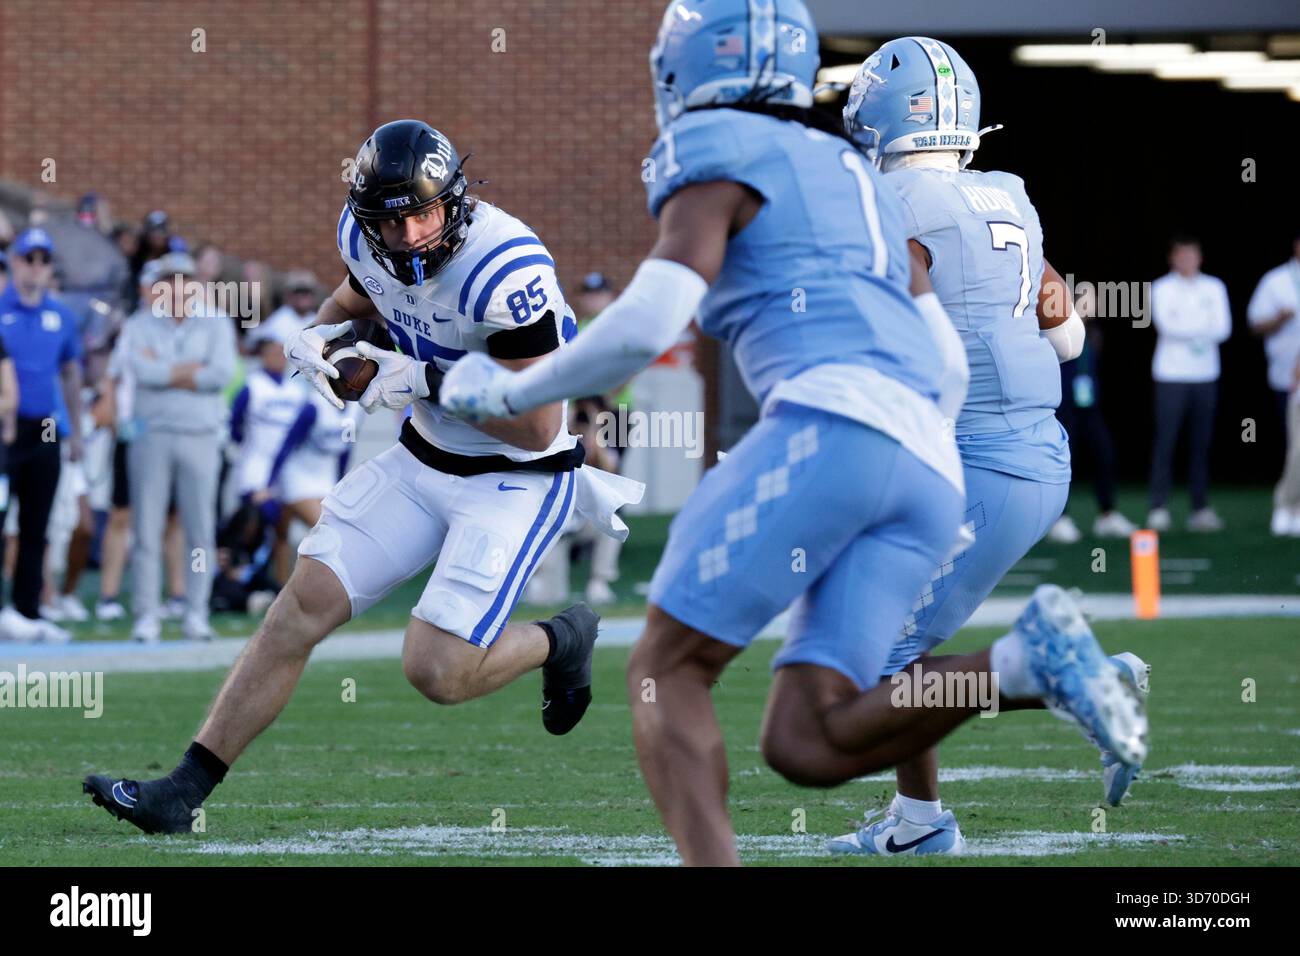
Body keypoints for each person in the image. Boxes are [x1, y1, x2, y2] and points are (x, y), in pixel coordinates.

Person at [439, 0, 1147, 865]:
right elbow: (945, 359)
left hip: (836, 422)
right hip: (929, 456)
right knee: (806, 740)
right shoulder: (859, 182)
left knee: (668, 668)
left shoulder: (720, 151)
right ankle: (1016, 668)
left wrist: (499, 389)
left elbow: (641, 327)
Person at [84, 119, 642, 834]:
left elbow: (537, 423)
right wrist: (322, 338)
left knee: (435, 671)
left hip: (518, 474)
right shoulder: (365, 236)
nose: (408, 235)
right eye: (391, 220)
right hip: (423, 455)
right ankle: (181, 792)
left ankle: (562, 638)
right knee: (297, 609)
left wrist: (421, 380)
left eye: (423, 214)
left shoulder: (507, 269)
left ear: (456, 203)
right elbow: (352, 303)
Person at [821, 37, 1150, 858]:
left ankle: (1076, 678)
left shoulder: (887, 209)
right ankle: (919, 822)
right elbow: (1068, 338)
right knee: (887, 648)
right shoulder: (1008, 197)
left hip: (980, 462)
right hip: (1030, 453)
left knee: (879, 660)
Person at [119, 252, 237, 643]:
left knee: (199, 529)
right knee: (146, 527)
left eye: (183, 279)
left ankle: (196, 615)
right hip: (151, 433)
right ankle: (146, 617)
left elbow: (220, 373)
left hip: (200, 434)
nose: (176, 287)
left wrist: (168, 370)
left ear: (195, 284)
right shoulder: (139, 324)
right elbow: (142, 371)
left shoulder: (217, 322)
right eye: (169, 280)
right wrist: (190, 368)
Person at [0, 228, 82, 643]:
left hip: (46, 427)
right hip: (3, 429)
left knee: (37, 523)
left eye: (42, 260)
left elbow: (69, 373)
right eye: (28, 258)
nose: (35, 267)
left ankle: (27, 610)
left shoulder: (61, 316)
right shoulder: (0, 308)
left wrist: (77, 431)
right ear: (14, 262)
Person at [1147, 236, 1231, 533]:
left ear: (1200, 257)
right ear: (1173, 258)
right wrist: (1201, 327)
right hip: (1170, 374)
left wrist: (1191, 326)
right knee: (1166, 442)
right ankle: (1158, 507)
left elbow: (1223, 328)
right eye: (1181, 255)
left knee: (1201, 444)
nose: (1187, 260)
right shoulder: (1161, 287)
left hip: (1205, 374)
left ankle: (1200, 508)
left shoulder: (1214, 287)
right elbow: (1167, 326)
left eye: (1192, 255)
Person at [1048, 286, 1138, 542]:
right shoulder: (1059, 331)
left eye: (1094, 302)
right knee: (1064, 462)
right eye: (1085, 301)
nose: (1091, 306)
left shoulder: (1094, 333)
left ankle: (1107, 515)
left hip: (1089, 406)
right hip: (1064, 406)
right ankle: (1060, 519)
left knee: (1104, 454)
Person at [1246, 231, 1300, 536]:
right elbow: (1255, 322)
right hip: (1289, 376)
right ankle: (1286, 503)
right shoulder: (1276, 281)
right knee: (1297, 447)